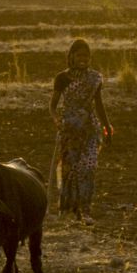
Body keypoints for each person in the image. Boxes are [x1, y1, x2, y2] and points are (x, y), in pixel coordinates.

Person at [50, 38, 112, 221]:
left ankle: (85, 209)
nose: (83, 59)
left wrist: (107, 126)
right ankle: (71, 208)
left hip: (90, 128)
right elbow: (53, 106)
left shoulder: (95, 78)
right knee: (70, 170)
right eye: (79, 55)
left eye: (86, 55)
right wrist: (56, 120)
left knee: (89, 167)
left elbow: (99, 105)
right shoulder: (62, 78)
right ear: (71, 57)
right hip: (69, 128)